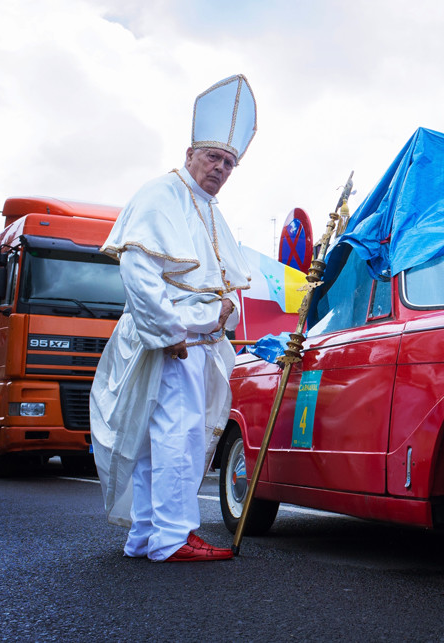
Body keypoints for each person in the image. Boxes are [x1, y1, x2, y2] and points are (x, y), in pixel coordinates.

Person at [90, 74, 256, 562]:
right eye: (213, 158)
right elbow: (140, 273)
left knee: (157, 439)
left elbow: (232, 283)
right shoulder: (161, 194)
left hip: (193, 344)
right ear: (189, 155)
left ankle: (146, 535)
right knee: (172, 439)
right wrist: (169, 335)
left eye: (229, 163)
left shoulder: (212, 211)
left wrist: (227, 310)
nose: (221, 168)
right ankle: (172, 537)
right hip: (172, 343)